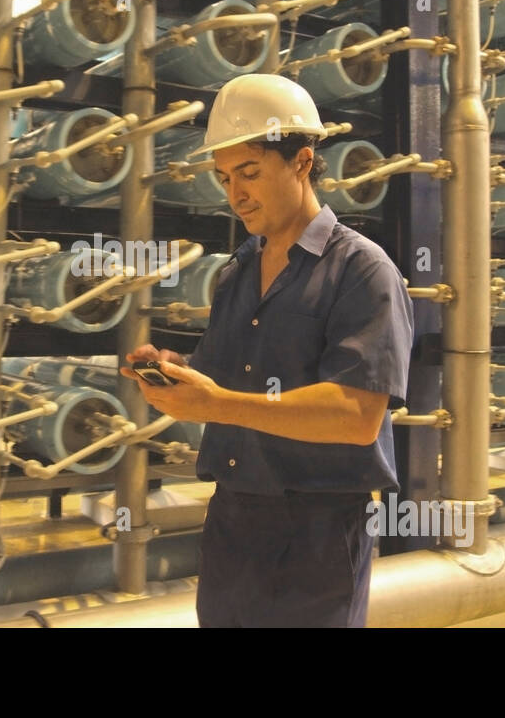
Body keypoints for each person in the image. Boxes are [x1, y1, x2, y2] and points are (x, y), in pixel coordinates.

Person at [120, 73, 415, 627]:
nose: (235, 193)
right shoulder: (237, 273)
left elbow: (357, 417)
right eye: (224, 177)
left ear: (303, 162)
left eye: (250, 173)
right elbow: (224, 376)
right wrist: (174, 372)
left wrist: (215, 406)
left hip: (318, 533)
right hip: (234, 518)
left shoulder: (362, 271)